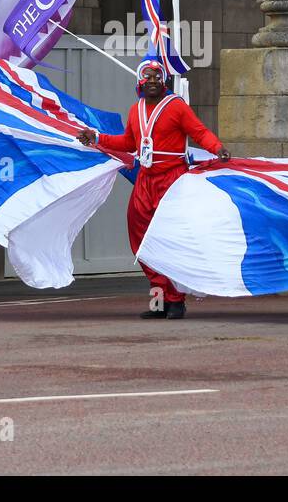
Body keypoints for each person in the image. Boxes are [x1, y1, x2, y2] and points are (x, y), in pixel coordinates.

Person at [77, 60, 229, 320]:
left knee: (171, 239)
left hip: (172, 179)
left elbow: (199, 132)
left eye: (157, 77)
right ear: (139, 82)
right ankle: (159, 302)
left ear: (165, 81)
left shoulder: (176, 106)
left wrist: (217, 148)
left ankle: (176, 301)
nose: (153, 81)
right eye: (147, 77)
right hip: (145, 180)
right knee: (141, 240)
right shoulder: (135, 110)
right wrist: (98, 138)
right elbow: (128, 142)